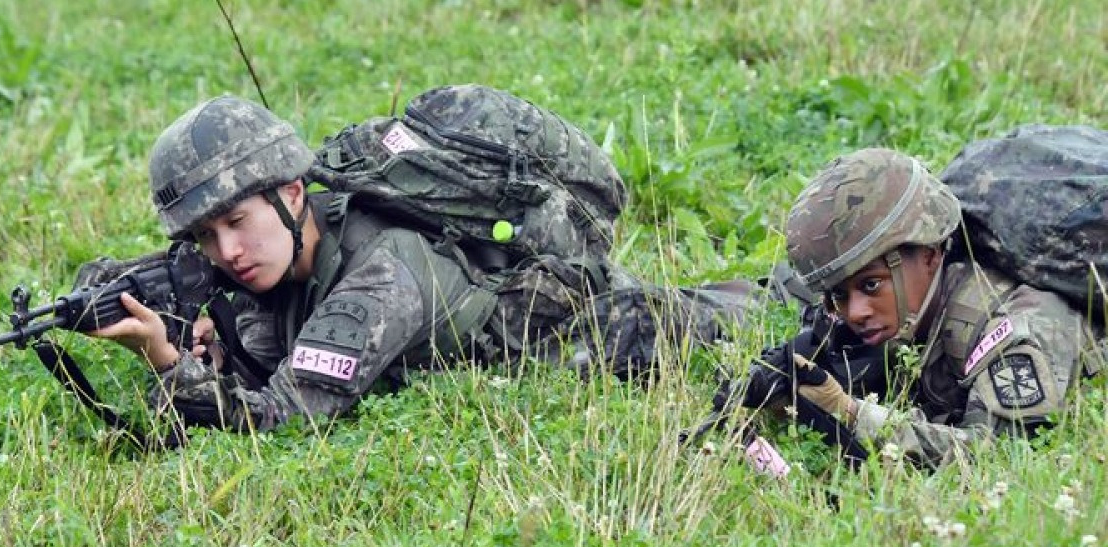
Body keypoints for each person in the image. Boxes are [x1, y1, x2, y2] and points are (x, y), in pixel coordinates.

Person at [87, 95, 764, 435]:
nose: (227, 252)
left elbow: (286, 419)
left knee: (755, 316)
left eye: (237, 222)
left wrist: (167, 364)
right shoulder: (289, 248)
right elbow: (260, 347)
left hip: (582, 329)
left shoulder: (380, 277)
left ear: (292, 194)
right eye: (206, 236)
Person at [781, 147, 1101, 467]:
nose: (855, 312)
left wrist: (850, 413)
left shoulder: (1012, 331)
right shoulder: (912, 308)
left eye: (871, 285)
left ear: (929, 255)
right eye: (840, 294)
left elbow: (1000, 455)